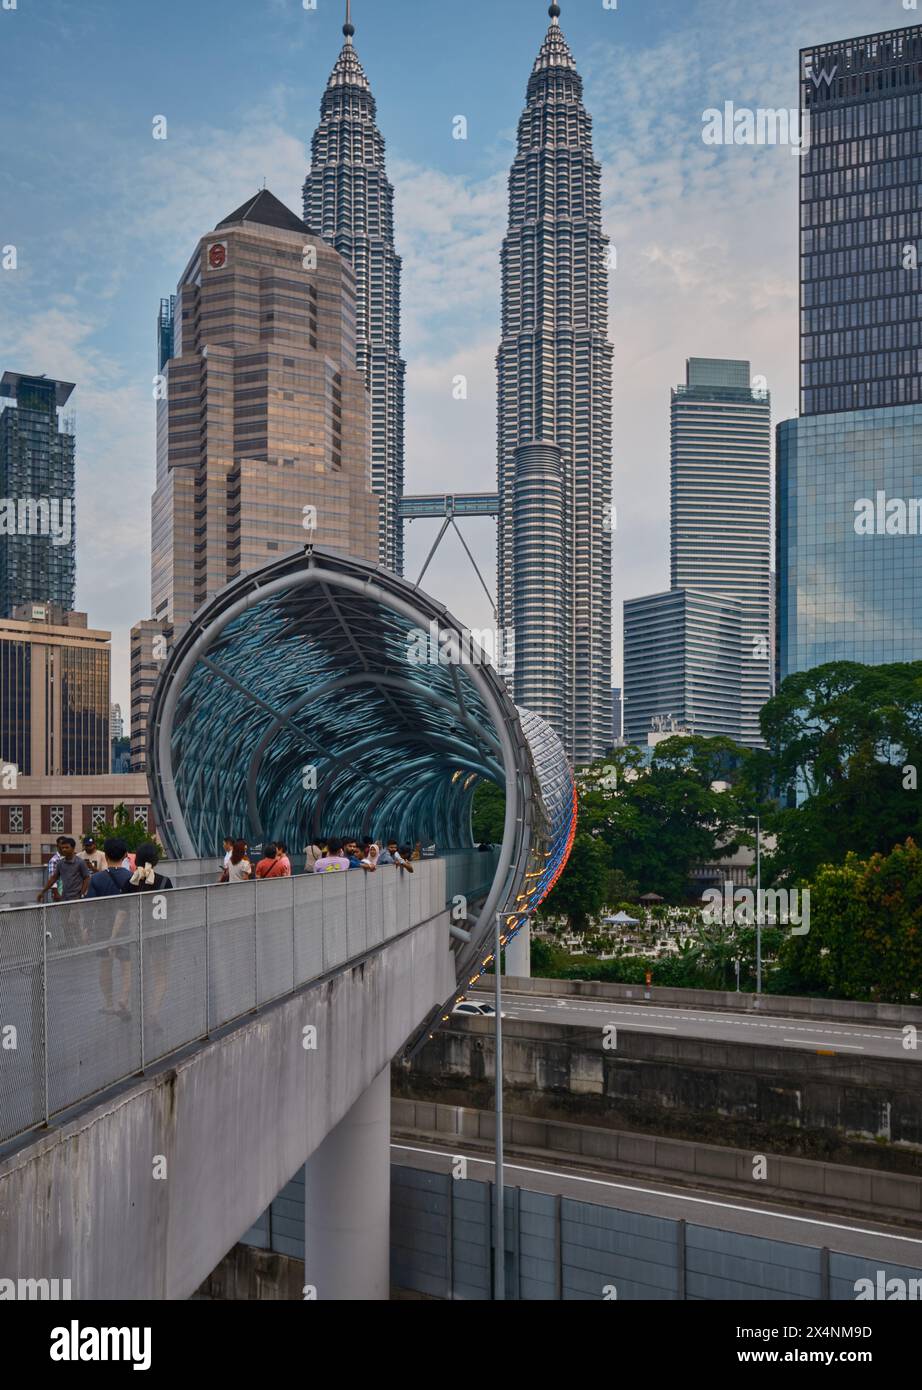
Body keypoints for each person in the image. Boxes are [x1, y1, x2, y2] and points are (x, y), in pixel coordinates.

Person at [123, 843, 174, 1036]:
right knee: (161, 976)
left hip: (136, 935)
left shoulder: (131, 882)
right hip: (159, 935)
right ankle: (153, 1012)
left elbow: (121, 909)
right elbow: (170, 910)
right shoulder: (164, 882)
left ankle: (138, 1011)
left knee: (138, 975)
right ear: (156, 861)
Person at [85, 838, 133, 1019]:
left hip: (103, 927)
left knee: (105, 966)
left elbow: (90, 906)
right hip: (126, 928)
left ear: (105, 855)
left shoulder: (97, 878)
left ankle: (108, 1003)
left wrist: (87, 927)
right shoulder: (131, 877)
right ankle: (124, 1000)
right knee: (126, 965)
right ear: (125, 856)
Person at [37, 837, 92, 903]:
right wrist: (43, 892)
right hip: (64, 898)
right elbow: (53, 878)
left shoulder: (80, 862)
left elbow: (87, 878)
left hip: (77, 899)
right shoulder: (60, 863)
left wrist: (82, 894)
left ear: (73, 848)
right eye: (62, 848)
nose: (64, 850)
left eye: (66, 847)